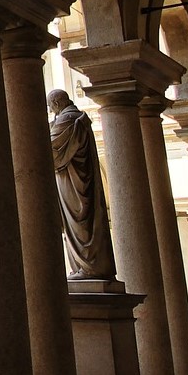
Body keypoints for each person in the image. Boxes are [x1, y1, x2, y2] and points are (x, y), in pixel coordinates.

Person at [48, 89, 118, 279]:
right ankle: (89, 267)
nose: (51, 110)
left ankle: (87, 267)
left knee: (79, 223)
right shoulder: (77, 118)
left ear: (56, 104)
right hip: (77, 181)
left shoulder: (67, 119)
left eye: (50, 105)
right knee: (84, 223)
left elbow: (50, 151)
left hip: (72, 184)